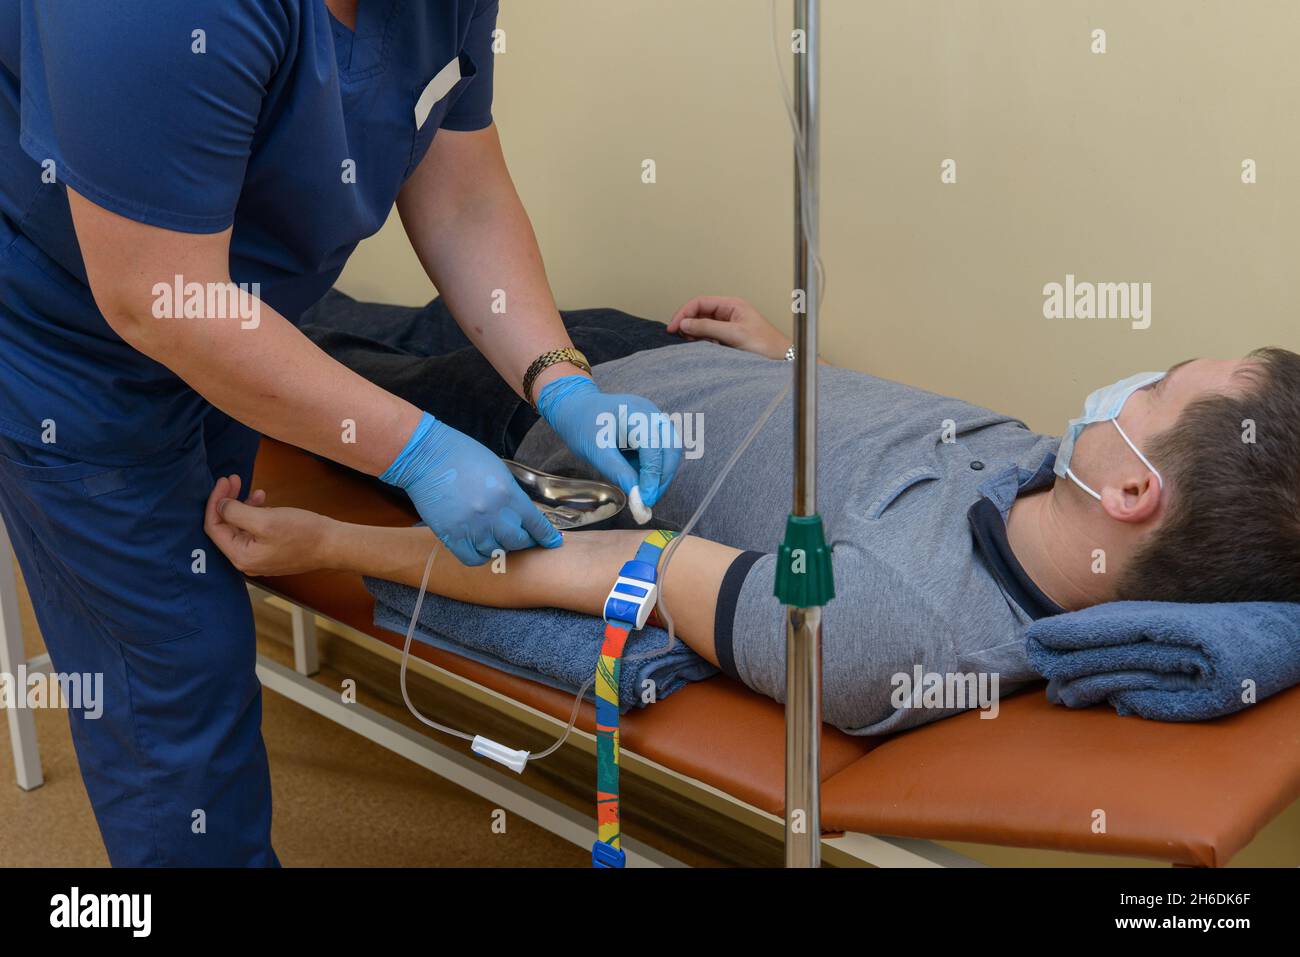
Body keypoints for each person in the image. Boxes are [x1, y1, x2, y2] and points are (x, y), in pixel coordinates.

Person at [0, 0, 677, 865]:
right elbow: (154, 296)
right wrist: (417, 451)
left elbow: (461, 187)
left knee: (202, 582)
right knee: (177, 679)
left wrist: (561, 375)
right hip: (67, 333)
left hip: (247, 320)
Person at [206, 292, 1300, 735]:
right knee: (396, 302)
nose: (1128, 384)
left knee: (276, 337)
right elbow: (882, 435)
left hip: (527, 441)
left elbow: (604, 565)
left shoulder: (886, 630)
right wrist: (783, 364)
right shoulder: (1043, 479)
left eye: (1154, 387)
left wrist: (329, 544)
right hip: (628, 355)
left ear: (1132, 491)